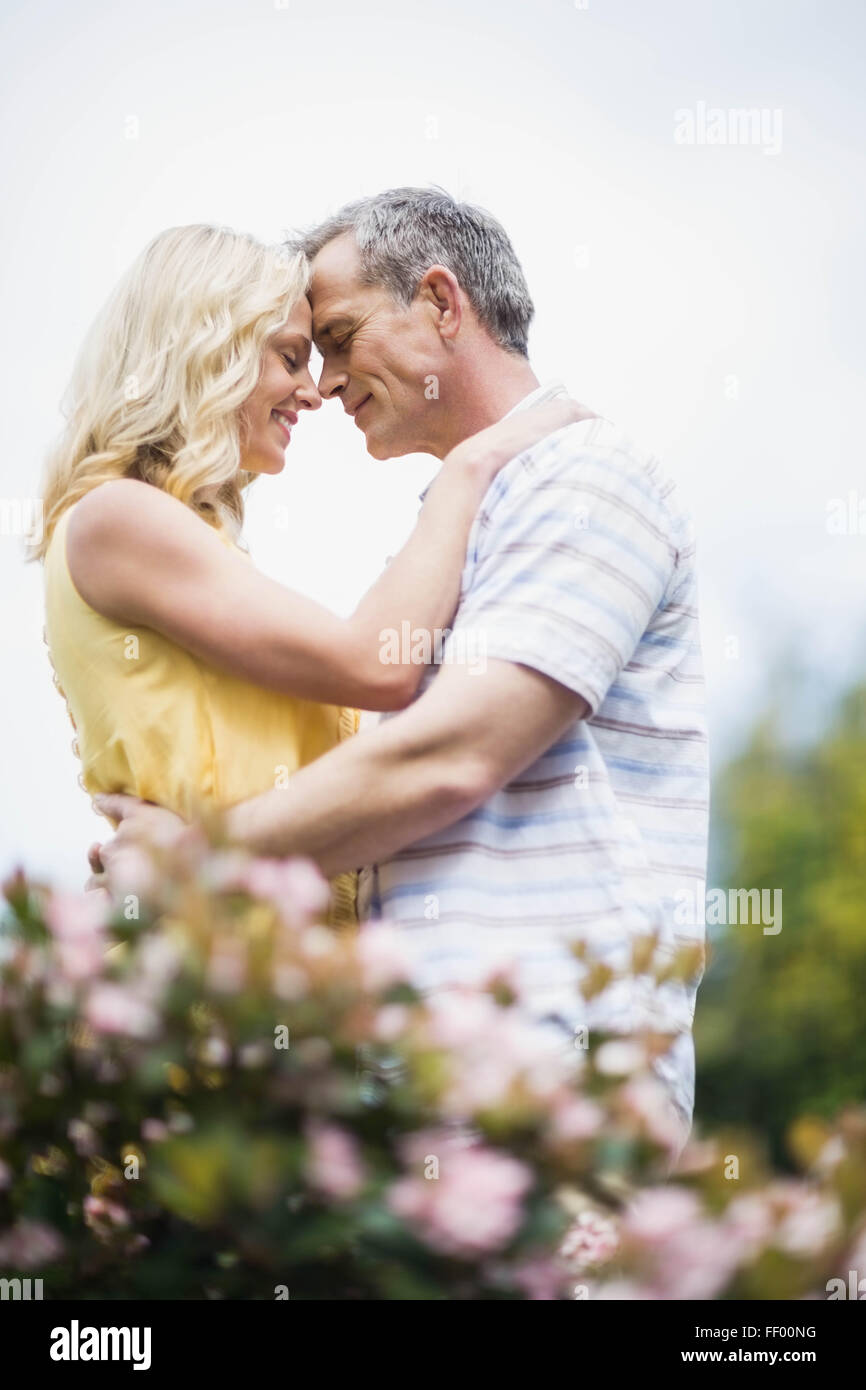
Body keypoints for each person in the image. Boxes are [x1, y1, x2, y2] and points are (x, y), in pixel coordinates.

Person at [94, 189, 709, 1142]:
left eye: (336, 337)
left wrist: (189, 864)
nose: (325, 383)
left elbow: (450, 756)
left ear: (440, 301)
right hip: (445, 1082)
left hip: (555, 1065)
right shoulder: (474, 519)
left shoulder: (584, 479)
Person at [35, 222, 583, 928]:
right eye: (291, 357)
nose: (312, 391)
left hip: (268, 977)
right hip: (210, 982)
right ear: (209, 351)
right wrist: (470, 468)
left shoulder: (172, 538)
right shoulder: (117, 521)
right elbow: (374, 663)